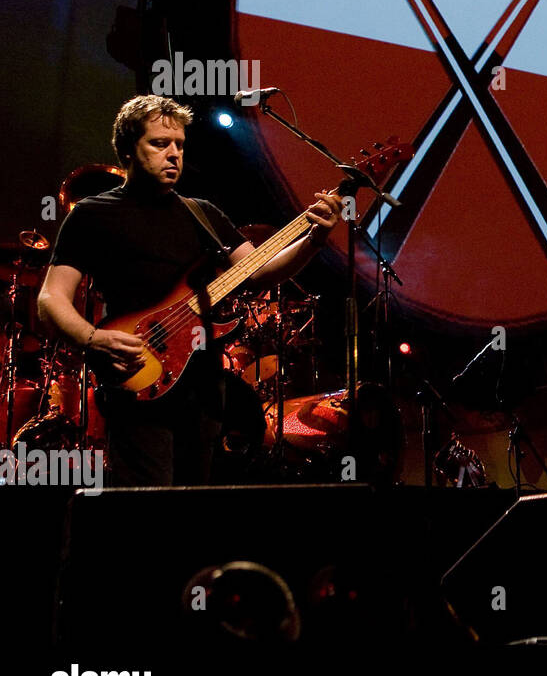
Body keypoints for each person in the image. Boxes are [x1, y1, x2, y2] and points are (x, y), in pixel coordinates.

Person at [37, 95, 343, 485]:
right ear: (129, 148)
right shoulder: (93, 214)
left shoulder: (203, 213)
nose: (173, 154)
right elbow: (51, 297)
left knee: (193, 515)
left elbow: (261, 271)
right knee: (149, 510)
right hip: (138, 378)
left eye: (179, 145)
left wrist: (315, 238)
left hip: (203, 390)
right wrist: (93, 338)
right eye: (159, 143)